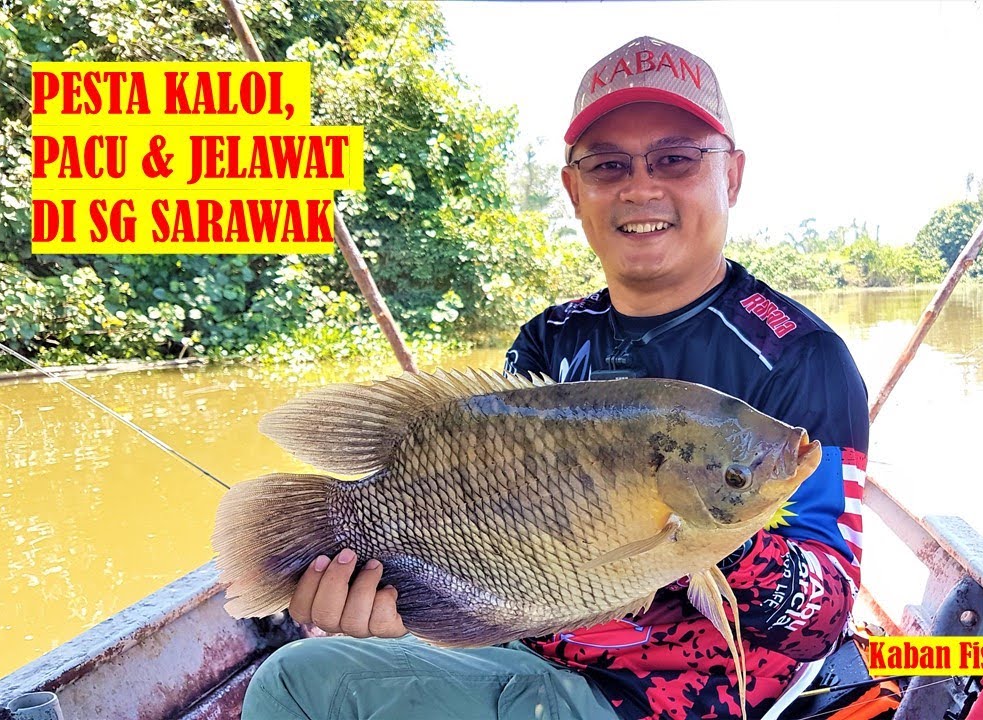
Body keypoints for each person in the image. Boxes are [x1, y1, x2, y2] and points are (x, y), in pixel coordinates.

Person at [242, 35, 870, 720]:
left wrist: (704, 525)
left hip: (664, 705)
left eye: (676, 158)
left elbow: (825, 617)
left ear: (733, 176)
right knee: (292, 678)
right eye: (607, 165)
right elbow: (498, 551)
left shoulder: (803, 358)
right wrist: (405, 600)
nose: (640, 186)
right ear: (575, 190)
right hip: (533, 652)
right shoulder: (551, 337)